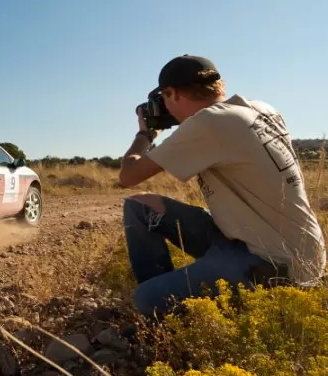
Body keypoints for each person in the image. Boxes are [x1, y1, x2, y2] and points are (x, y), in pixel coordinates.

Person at [119, 54, 326, 317]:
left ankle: (165, 310)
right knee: (140, 205)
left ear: (171, 92)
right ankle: (169, 291)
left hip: (271, 262)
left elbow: (128, 176)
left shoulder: (208, 122)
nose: (166, 109)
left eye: (164, 100)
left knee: (146, 299)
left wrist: (145, 134)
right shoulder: (260, 109)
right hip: (286, 247)